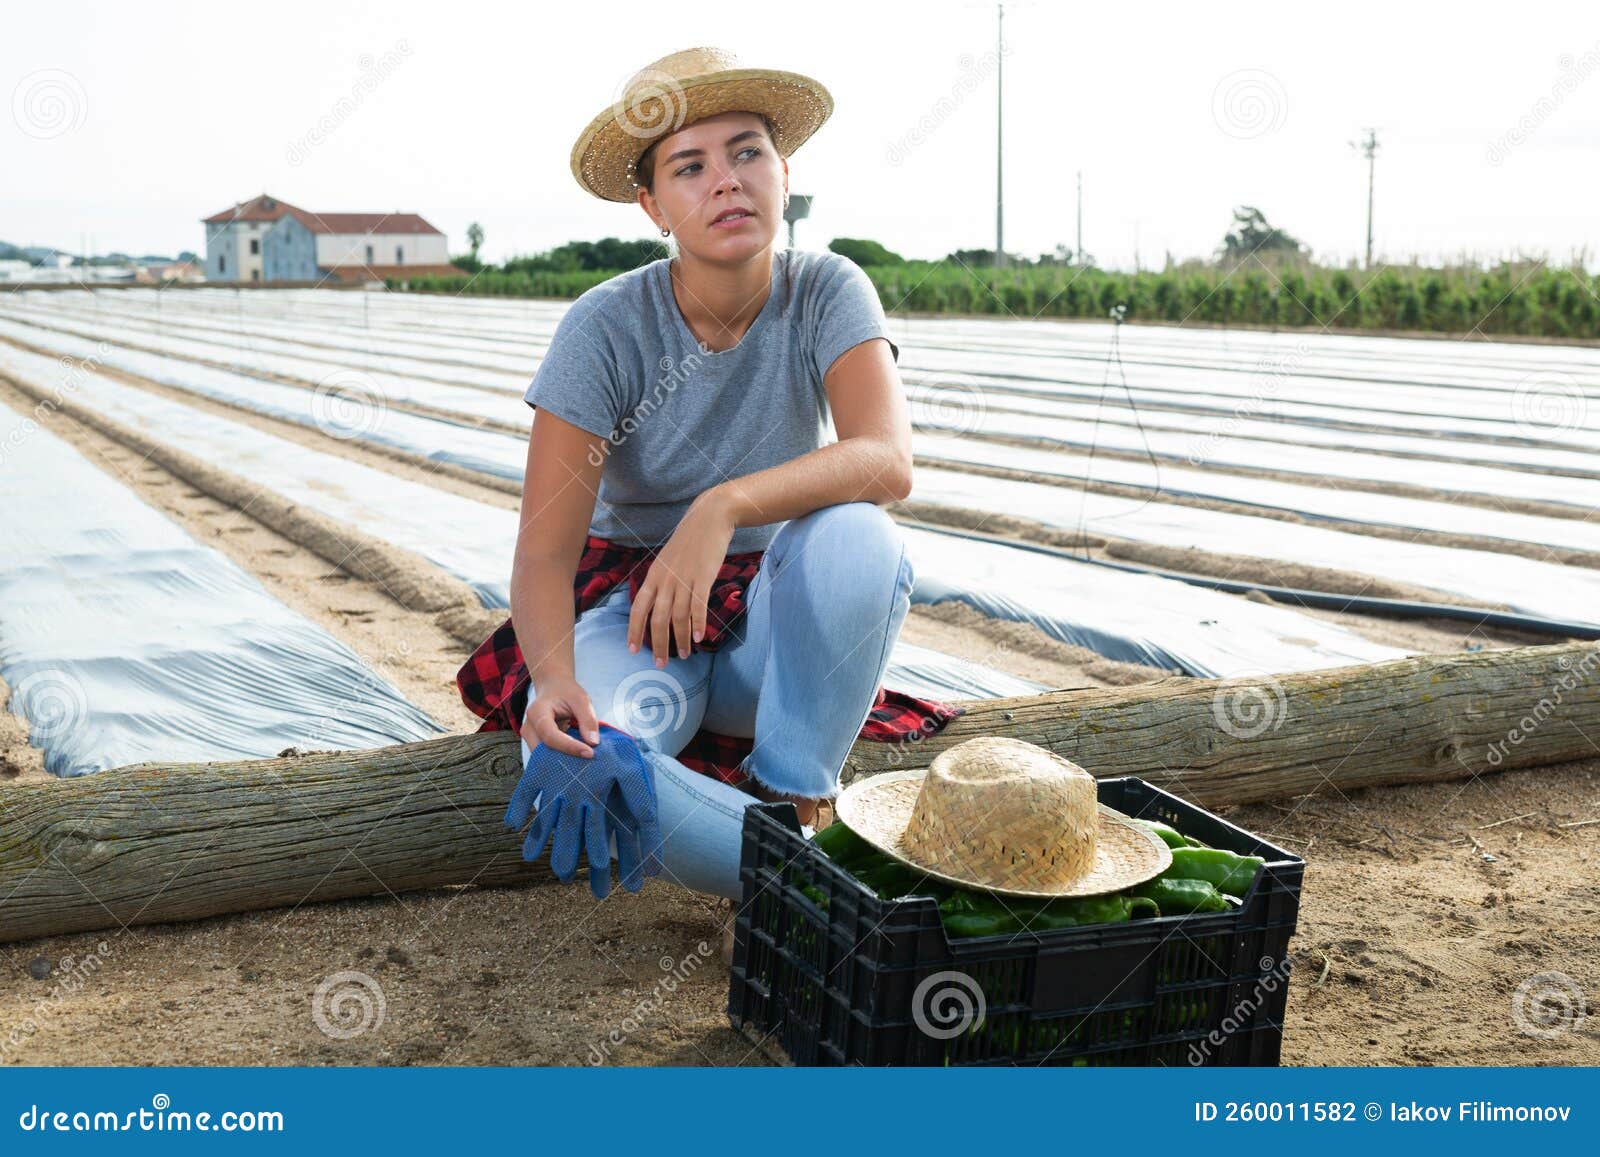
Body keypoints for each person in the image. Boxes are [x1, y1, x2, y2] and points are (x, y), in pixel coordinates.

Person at [491, 47, 932, 910]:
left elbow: (887, 458)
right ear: (652, 205)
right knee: (584, 753)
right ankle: (815, 879)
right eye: (689, 166)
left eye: (746, 152)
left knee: (859, 536)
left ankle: (797, 790)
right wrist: (553, 683)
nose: (726, 181)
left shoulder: (827, 288)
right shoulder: (605, 328)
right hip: (641, 622)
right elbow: (543, 553)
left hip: (779, 630)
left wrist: (721, 507)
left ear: (784, 171)